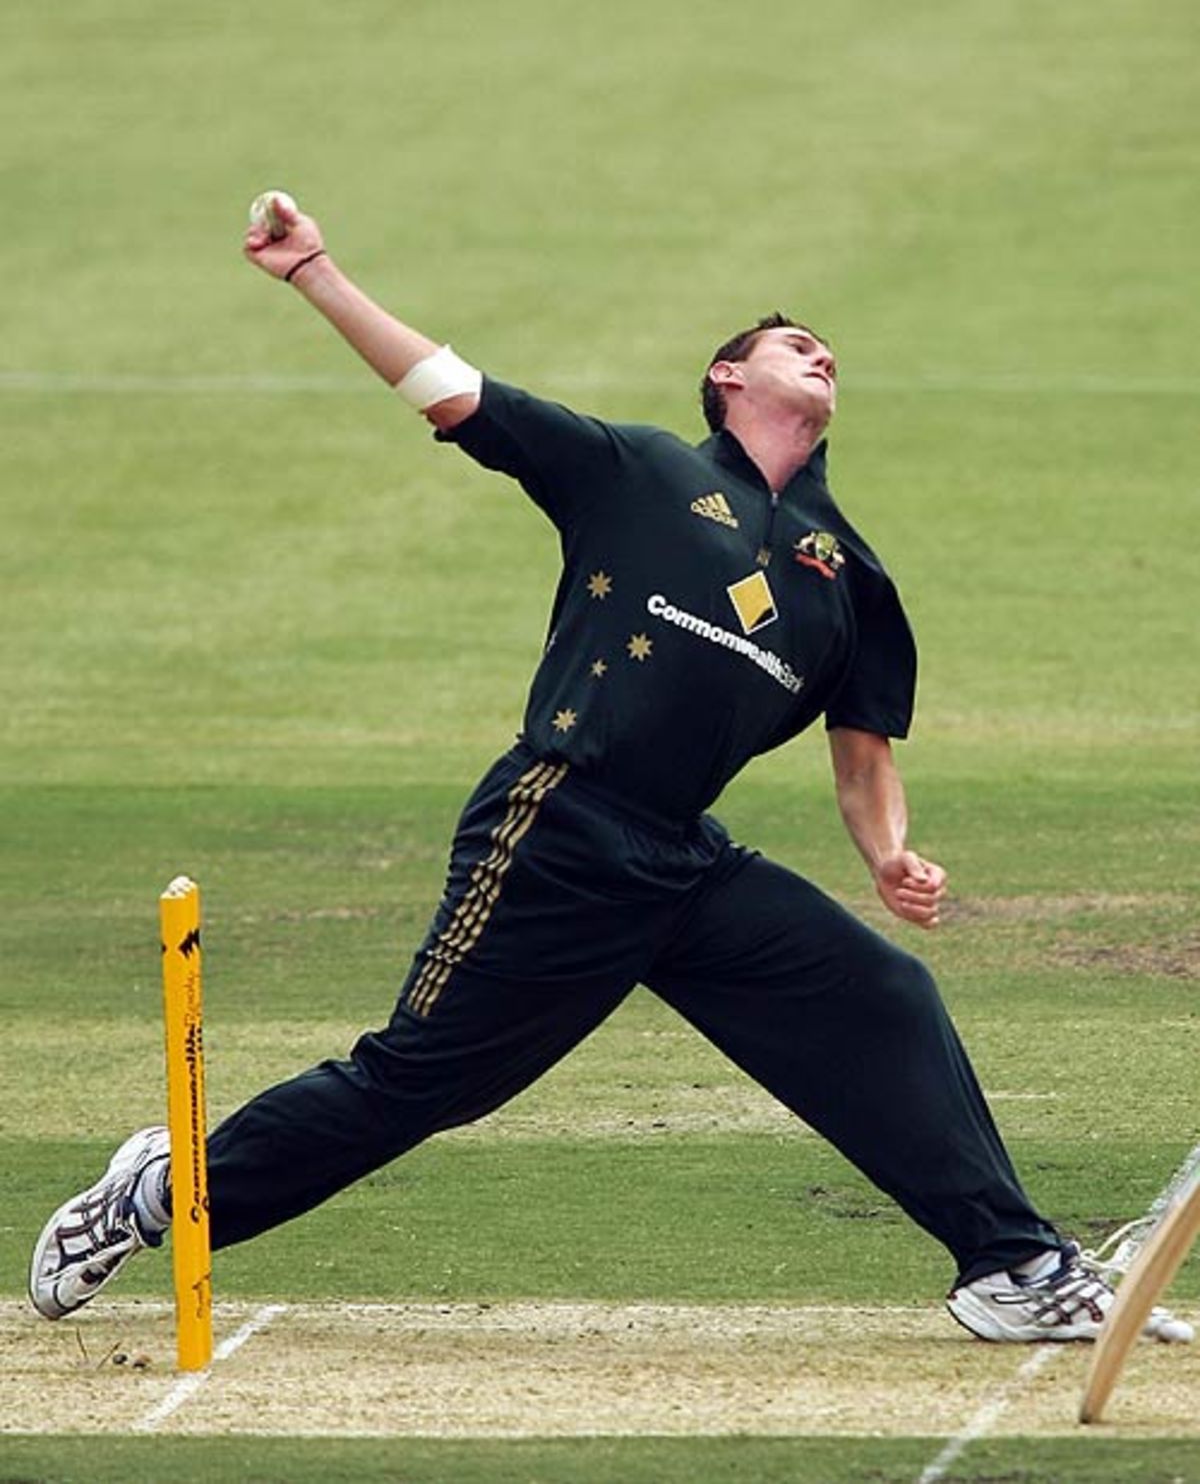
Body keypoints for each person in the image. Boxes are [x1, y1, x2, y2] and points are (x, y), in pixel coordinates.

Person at [29, 197, 1190, 1348]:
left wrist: (888, 852)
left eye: (827, 351)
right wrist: (316, 272)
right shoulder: (633, 471)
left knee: (882, 996)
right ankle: (154, 1195)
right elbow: (454, 389)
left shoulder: (845, 576)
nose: (819, 352)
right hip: (560, 827)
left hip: (682, 863)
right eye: (790, 344)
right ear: (725, 378)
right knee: (418, 1086)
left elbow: (864, 747)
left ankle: (1014, 1265)